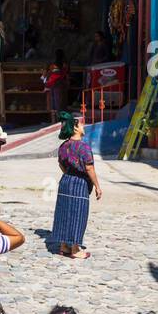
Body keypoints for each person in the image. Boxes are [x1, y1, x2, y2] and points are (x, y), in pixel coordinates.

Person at [51, 112, 101, 259]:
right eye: (81, 124)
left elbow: (60, 164)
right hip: (79, 183)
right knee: (78, 214)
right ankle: (75, 249)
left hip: (65, 181)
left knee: (64, 213)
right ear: (75, 128)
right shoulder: (83, 147)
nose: (83, 126)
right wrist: (97, 186)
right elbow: (89, 168)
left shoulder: (63, 146)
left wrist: (68, 173)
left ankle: (64, 246)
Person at [42, 48, 69, 120]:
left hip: (52, 84)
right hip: (60, 85)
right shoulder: (64, 64)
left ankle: (54, 120)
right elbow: (66, 73)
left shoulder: (52, 64)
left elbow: (48, 73)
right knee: (60, 102)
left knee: (53, 102)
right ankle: (60, 119)